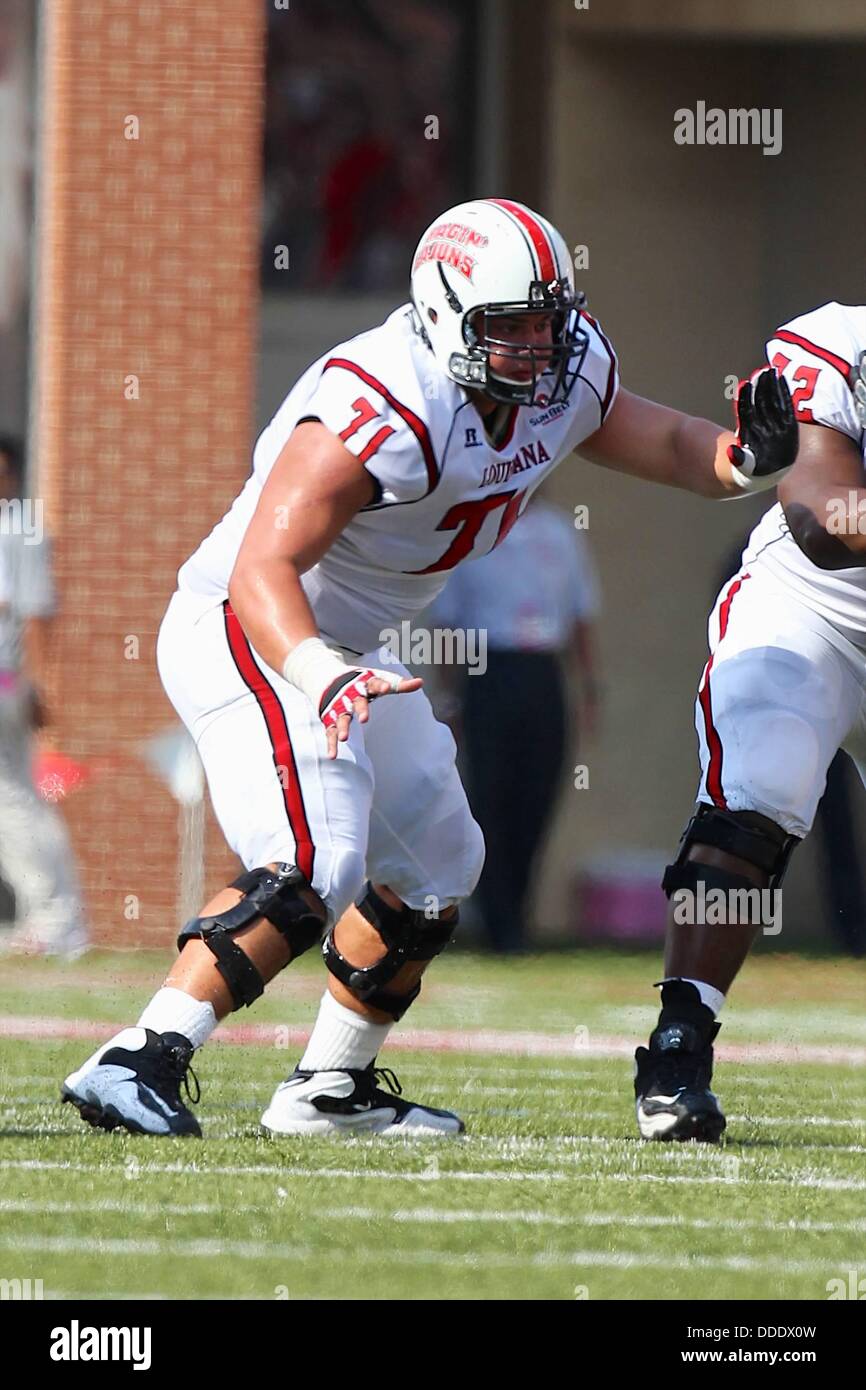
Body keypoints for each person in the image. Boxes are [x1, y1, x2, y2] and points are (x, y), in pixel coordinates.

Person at [61, 197, 796, 1139]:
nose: (539, 346)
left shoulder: (559, 379)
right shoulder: (384, 402)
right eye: (512, 326)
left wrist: (747, 461)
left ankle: (328, 1088)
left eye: (549, 322)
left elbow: (657, 438)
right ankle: (139, 1057)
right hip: (254, 628)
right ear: (446, 311)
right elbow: (260, 568)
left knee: (443, 862)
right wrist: (321, 671)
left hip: (356, 648)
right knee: (319, 861)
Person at [634, 300, 866, 1143]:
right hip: (815, 611)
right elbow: (821, 516)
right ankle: (677, 1047)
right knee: (756, 795)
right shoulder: (844, 339)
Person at [430, 494, 601, 952]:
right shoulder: (474, 536)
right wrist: (448, 696)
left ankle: (517, 915)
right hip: (489, 669)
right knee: (489, 797)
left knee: (537, 796)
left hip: (544, 671)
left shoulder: (562, 531)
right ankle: (497, 922)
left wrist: (587, 690)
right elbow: (447, 624)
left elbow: (581, 617)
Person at [0, 435, 88, 956]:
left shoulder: (20, 531)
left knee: (16, 798)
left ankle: (56, 921)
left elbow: (33, 614)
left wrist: (35, 685)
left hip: (5, 679)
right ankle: (47, 916)